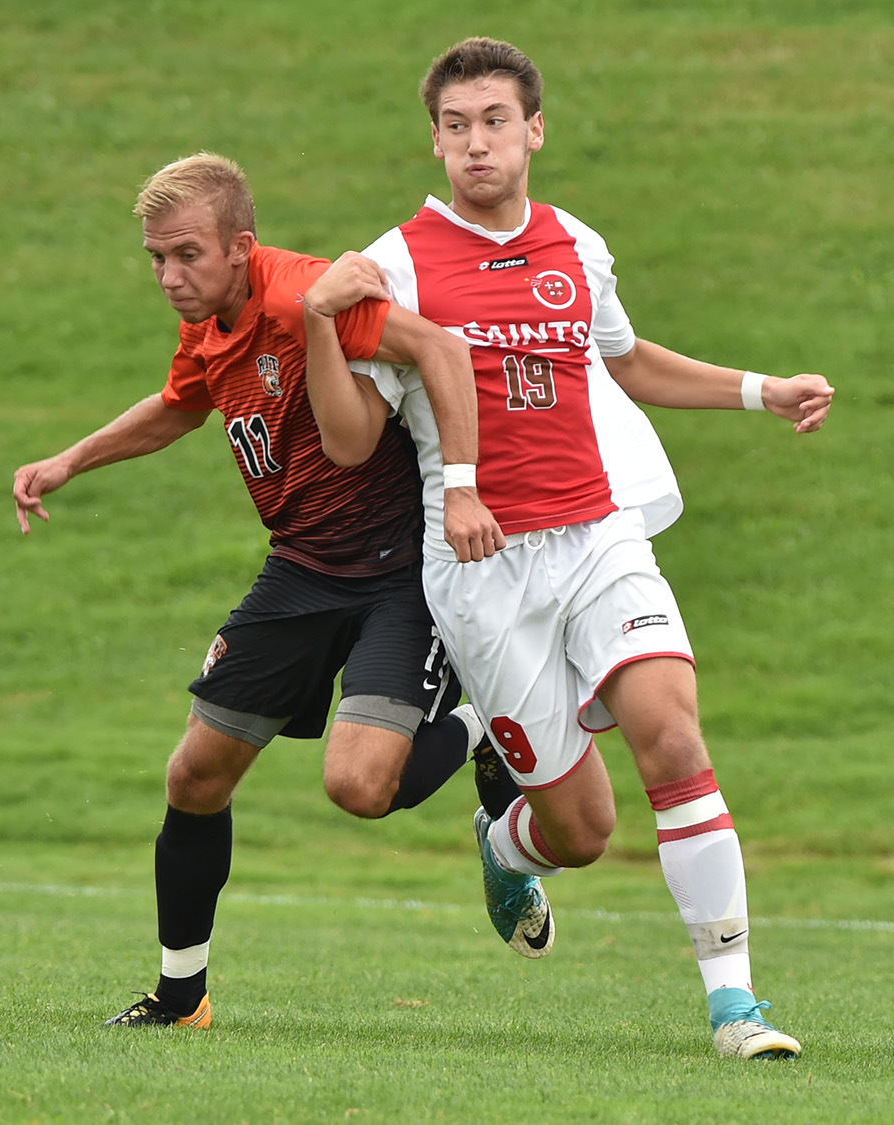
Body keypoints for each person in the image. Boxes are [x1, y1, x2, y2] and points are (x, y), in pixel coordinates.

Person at [298, 38, 836, 1060]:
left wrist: (763, 390)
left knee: (671, 735)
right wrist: (323, 324)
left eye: (494, 121)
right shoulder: (398, 262)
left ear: (533, 129)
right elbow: (349, 441)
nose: (475, 145)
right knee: (580, 831)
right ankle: (504, 849)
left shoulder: (574, 245)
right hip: (479, 576)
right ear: (434, 142)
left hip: (596, 536)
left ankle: (735, 1007)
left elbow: (629, 366)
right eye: (455, 128)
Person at [12, 152, 525, 1031]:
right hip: (299, 568)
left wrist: (468, 487)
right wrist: (71, 459)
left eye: (186, 256)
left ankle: (485, 728)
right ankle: (181, 998)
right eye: (155, 259)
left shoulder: (308, 296)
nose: (169, 277)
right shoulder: (213, 318)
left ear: (241, 246)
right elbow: (184, 402)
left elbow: (439, 348)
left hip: (396, 570)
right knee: (195, 775)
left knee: (364, 788)